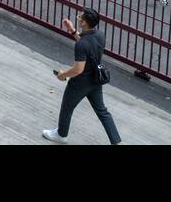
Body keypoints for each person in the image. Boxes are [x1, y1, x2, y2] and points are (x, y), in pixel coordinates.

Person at [42, 8, 122, 145]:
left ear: (84, 23)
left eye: (80, 16)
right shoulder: (99, 35)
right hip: (96, 80)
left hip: (80, 83)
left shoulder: (81, 45)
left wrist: (63, 75)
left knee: (67, 107)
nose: (78, 17)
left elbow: (78, 69)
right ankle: (116, 141)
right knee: (102, 111)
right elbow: (87, 46)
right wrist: (73, 31)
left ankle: (61, 135)